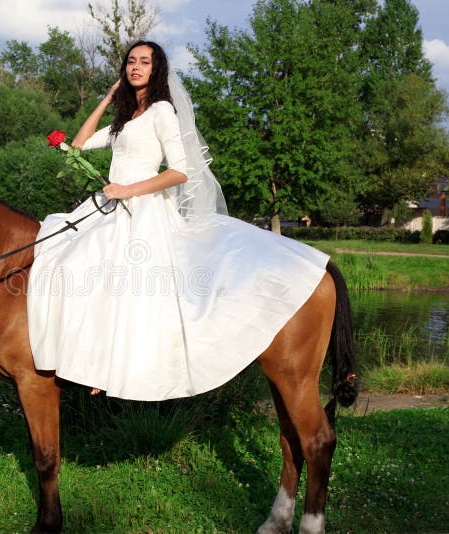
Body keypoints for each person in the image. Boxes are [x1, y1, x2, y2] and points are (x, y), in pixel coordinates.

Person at [27, 41, 329, 401]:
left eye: (144, 62)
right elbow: (75, 147)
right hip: (112, 202)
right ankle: (86, 359)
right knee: (69, 259)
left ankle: (114, 367)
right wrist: (108, 99)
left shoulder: (161, 112)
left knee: (129, 283)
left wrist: (130, 190)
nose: (135, 67)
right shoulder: (125, 119)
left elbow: (180, 172)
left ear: (156, 70)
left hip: (145, 206)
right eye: (131, 62)